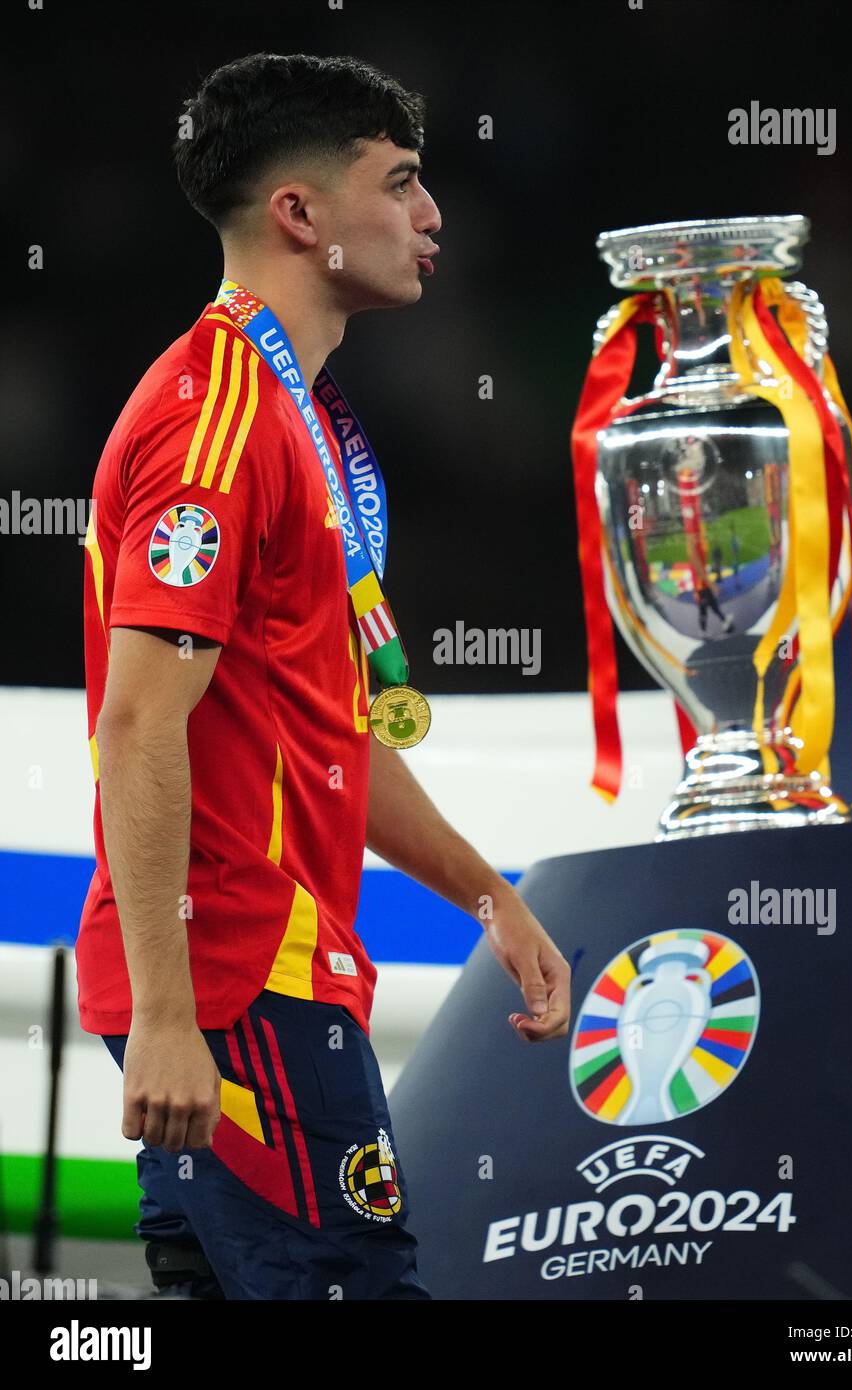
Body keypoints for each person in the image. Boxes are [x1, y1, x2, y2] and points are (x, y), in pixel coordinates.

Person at [77, 51, 570, 1301]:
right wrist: (178, 1016)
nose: (431, 213)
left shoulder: (295, 420)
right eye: (400, 182)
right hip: (241, 981)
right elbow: (140, 726)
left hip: (258, 978)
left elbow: (324, 737)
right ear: (300, 214)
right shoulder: (216, 422)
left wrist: (487, 898)